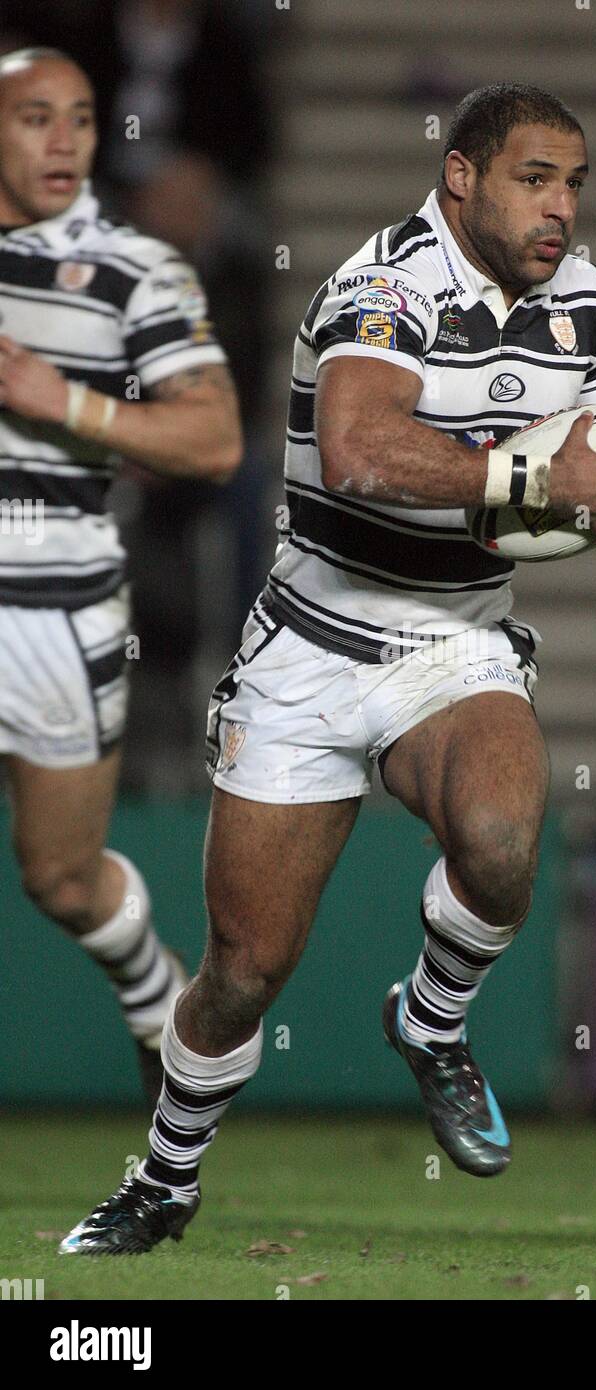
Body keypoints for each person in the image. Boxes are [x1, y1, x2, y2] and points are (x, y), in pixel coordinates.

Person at [61, 82, 596, 1255]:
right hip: (313, 638)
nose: (559, 208)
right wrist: (538, 485)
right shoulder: (385, 284)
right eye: (533, 179)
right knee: (246, 967)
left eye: (575, 184)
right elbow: (354, 450)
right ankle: (166, 1178)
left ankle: (430, 1023)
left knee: (500, 843)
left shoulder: (587, 305)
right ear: (461, 178)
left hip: (455, 638)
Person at [0, 49, 242, 1105]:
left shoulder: (133, 269)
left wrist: (71, 405)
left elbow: (216, 437)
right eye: (34, 118)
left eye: (82, 120)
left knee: (58, 875)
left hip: (56, 597)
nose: (63, 141)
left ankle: (153, 995)